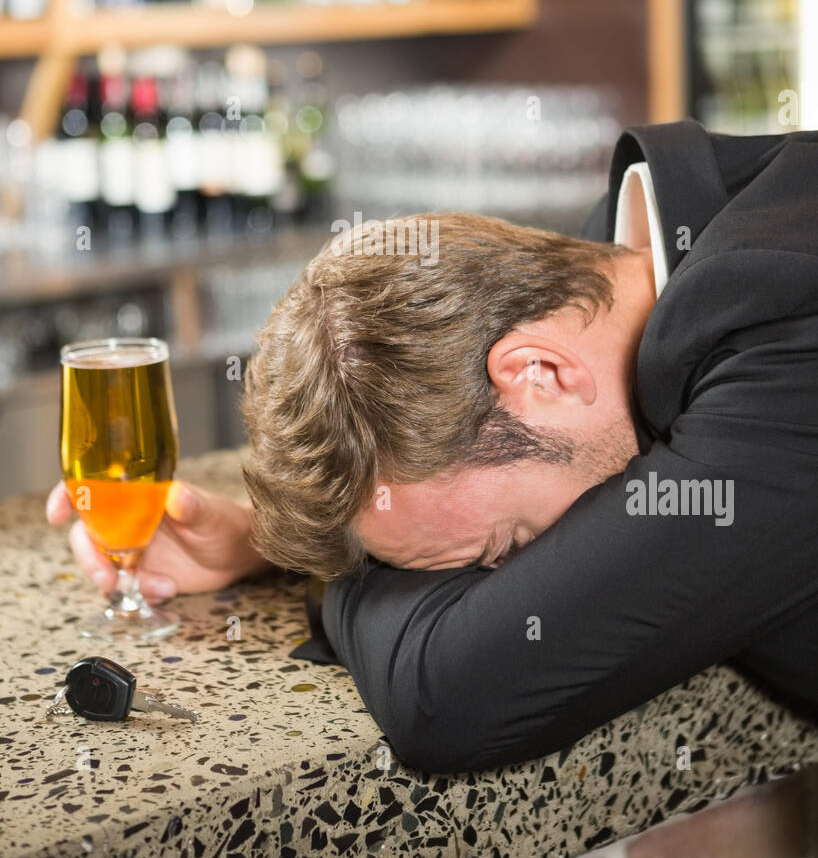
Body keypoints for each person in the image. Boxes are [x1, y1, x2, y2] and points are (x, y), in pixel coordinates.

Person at [47, 119, 818, 772]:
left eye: (504, 545)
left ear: (539, 374)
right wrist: (274, 545)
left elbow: (449, 694)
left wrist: (341, 567)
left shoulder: (786, 342)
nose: (509, 580)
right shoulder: (622, 280)